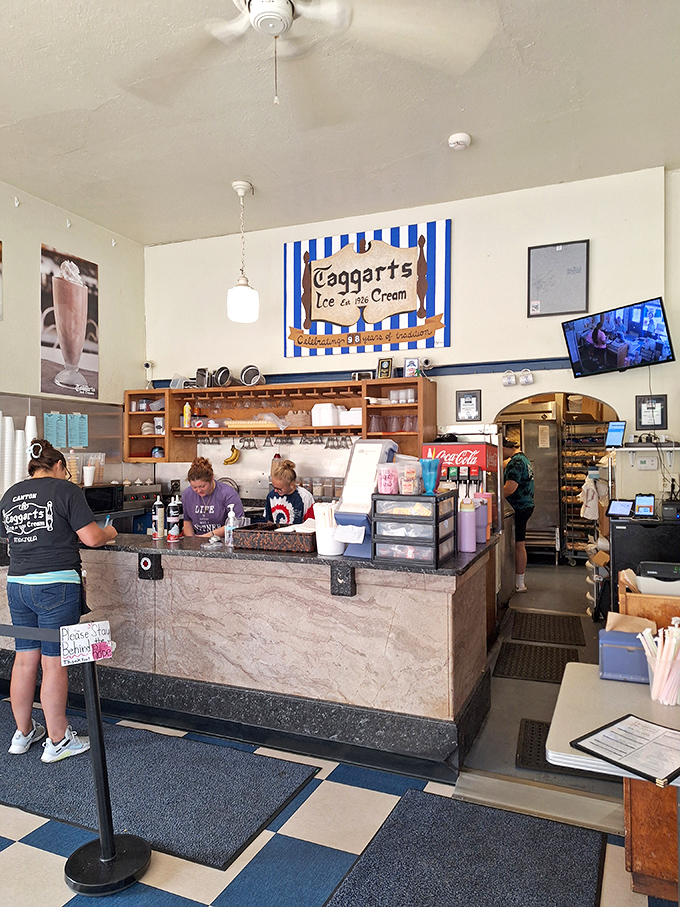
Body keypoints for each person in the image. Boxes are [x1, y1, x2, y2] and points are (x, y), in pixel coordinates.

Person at [0, 439, 117, 762]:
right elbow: (92, 538)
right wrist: (111, 533)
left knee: (25, 660)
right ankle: (57, 739)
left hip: (18, 584)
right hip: (55, 585)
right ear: (60, 467)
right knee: (54, 663)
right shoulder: (67, 491)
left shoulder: (10, 494)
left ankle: (23, 734)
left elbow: (9, 536)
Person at [502, 435, 535, 593]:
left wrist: (492, 496)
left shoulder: (515, 462)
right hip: (526, 505)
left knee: (519, 545)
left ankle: (520, 583)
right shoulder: (523, 459)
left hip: (519, 507)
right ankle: (518, 580)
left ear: (505, 448)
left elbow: (509, 488)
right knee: (518, 544)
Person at [181, 456, 244, 538]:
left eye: (202, 486)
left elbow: (237, 523)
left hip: (223, 541)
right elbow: (187, 521)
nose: (199, 491)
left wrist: (208, 536)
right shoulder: (187, 494)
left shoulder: (228, 493)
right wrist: (192, 541)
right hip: (198, 541)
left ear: (211, 479)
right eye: (194, 487)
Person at [265, 459, 315, 526]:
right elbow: (269, 521)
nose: (275, 491)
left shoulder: (305, 497)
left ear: (291, 484)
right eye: (274, 487)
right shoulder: (271, 496)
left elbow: (311, 523)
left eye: (279, 489)